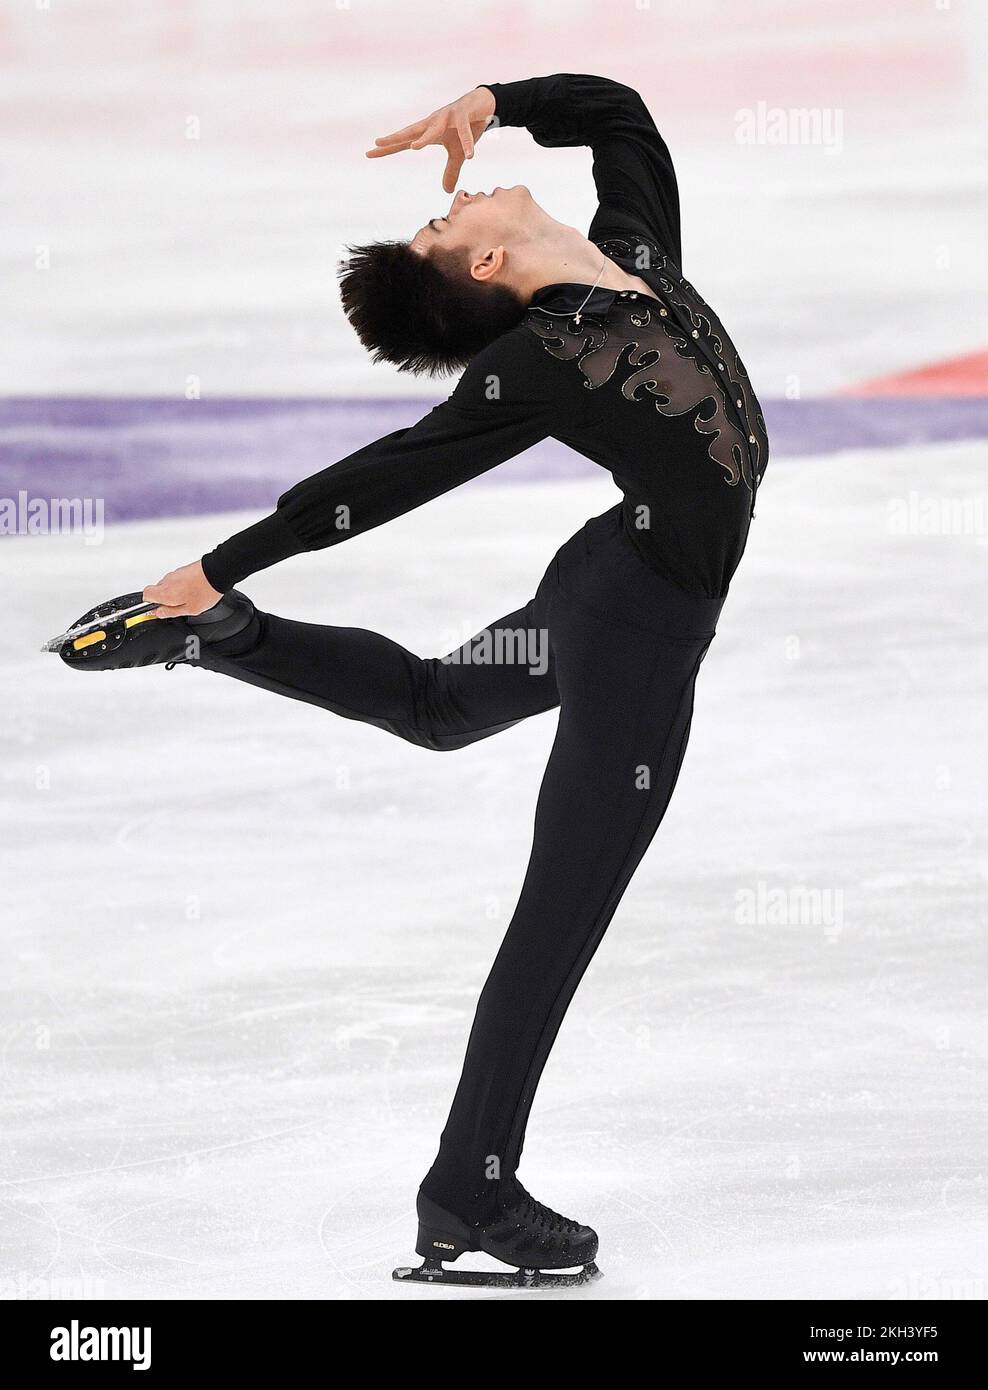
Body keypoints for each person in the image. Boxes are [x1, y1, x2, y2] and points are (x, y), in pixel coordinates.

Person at [52, 75, 767, 1287]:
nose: (456, 197)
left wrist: (487, 100)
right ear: (488, 266)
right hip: (634, 634)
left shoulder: (634, 253)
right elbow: (382, 477)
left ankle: (228, 639)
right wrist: (217, 558)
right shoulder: (542, 361)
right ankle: (469, 1189)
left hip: (596, 587)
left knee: (440, 703)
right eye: (442, 222)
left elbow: (622, 117)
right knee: (561, 912)